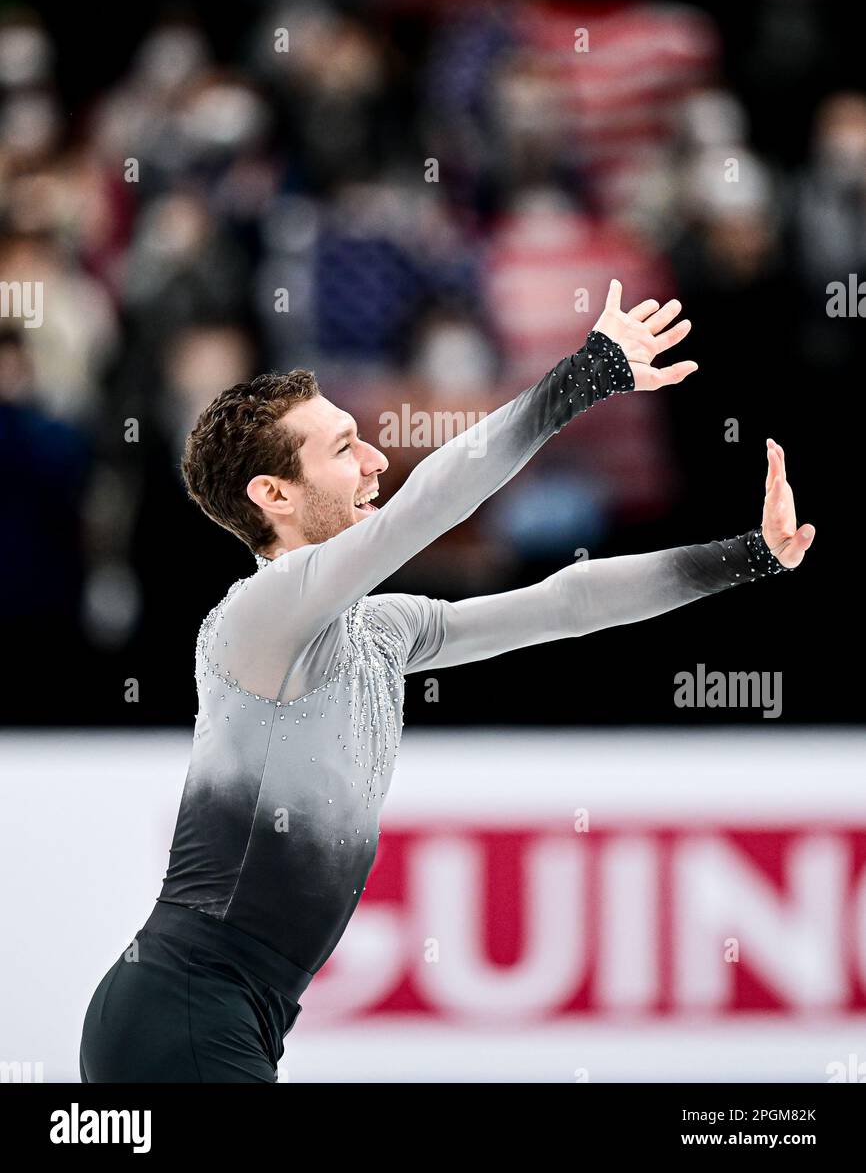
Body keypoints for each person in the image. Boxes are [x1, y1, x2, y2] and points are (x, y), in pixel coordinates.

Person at [78, 280, 814, 1082]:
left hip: (234, 1015)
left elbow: (562, 605)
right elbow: (426, 507)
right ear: (273, 495)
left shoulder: (379, 634)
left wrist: (746, 557)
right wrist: (589, 372)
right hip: (181, 1007)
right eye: (341, 448)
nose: (372, 461)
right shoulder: (257, 619)